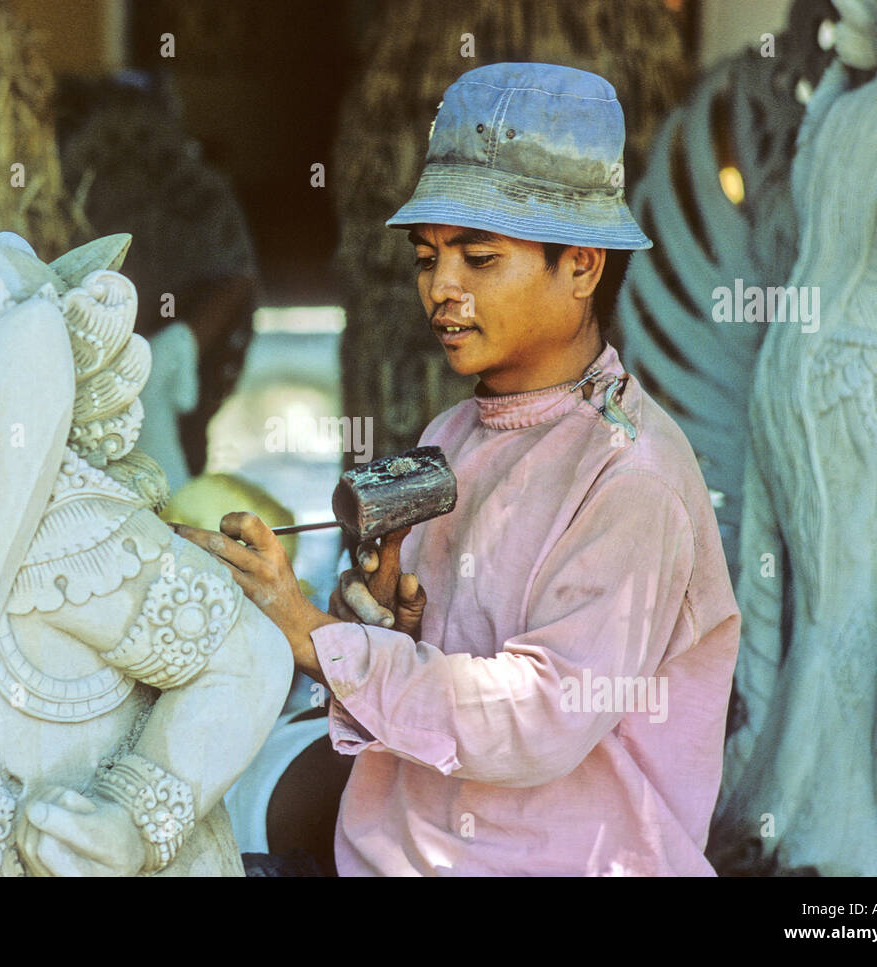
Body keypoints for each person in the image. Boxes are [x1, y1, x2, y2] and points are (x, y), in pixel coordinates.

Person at [176, 62, 740, 875]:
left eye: (478, 258)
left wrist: (314, 636)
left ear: (581, 264)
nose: (441, 288)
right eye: (426, 257)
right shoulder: (454, 432)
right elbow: (436, 668)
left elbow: (536, 716)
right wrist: (388, 619)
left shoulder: (632, 478)